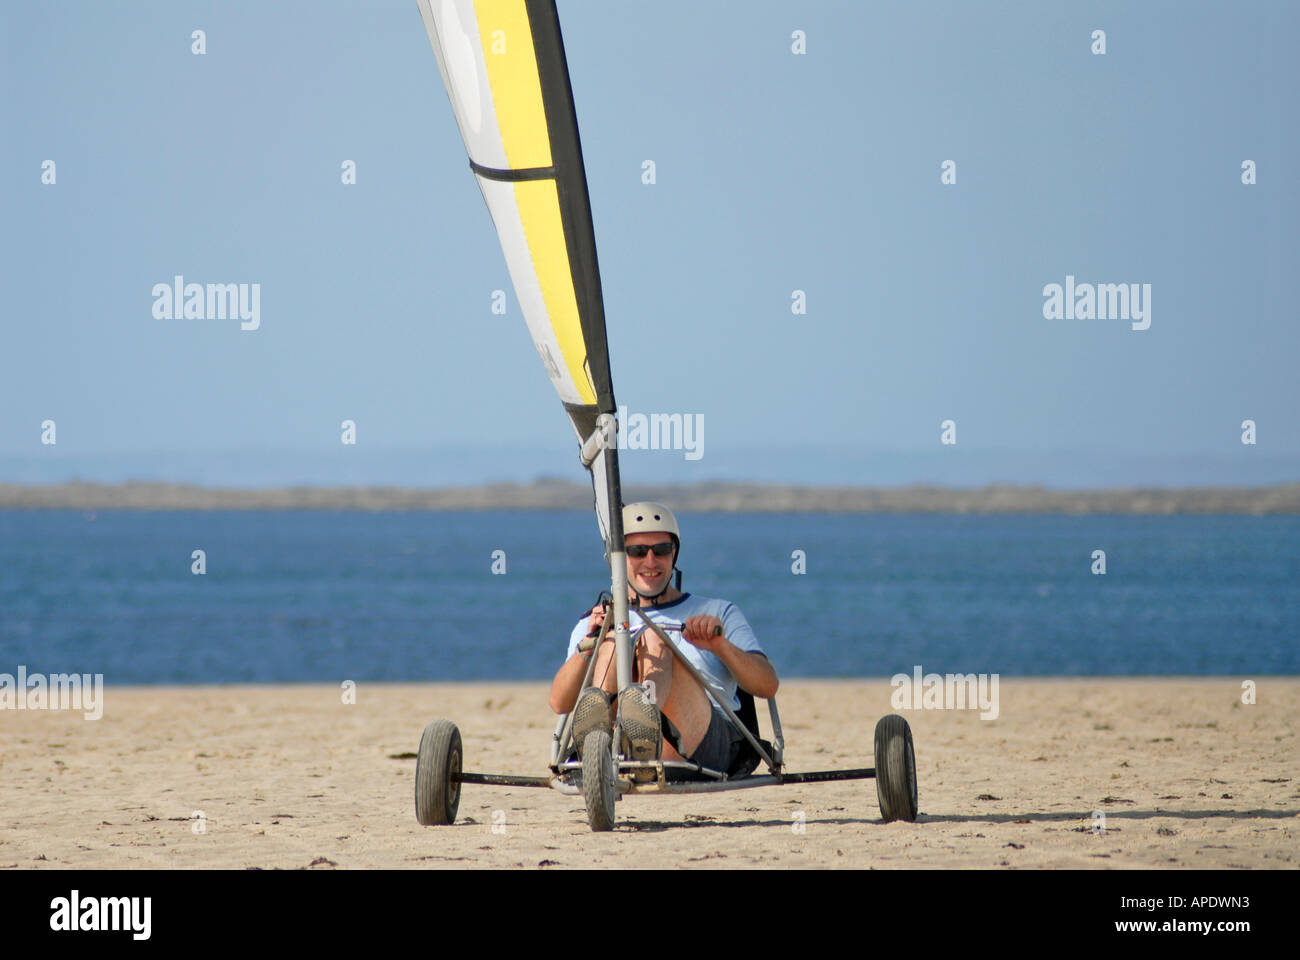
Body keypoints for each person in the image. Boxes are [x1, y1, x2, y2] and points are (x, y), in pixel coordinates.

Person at [548, 502, 778, 777]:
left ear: (674, 555)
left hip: (705, 744)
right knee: (610, 644)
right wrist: (590, 645)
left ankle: (644, 741)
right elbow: (560, 703)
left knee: (655, 641)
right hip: (613, 747)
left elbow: (767, 686)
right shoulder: (594, 621)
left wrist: (721, 646)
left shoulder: (718, 611)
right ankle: (605, 744)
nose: (650, 561)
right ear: (618, 560)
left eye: (661, 550)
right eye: (636, 552)